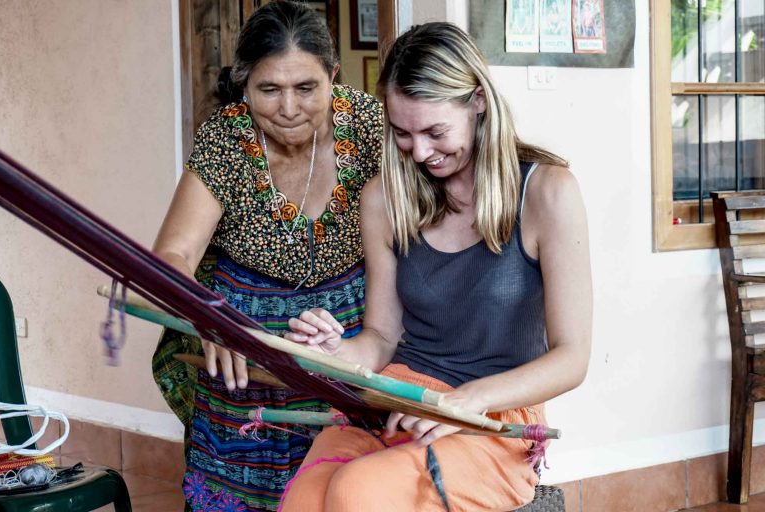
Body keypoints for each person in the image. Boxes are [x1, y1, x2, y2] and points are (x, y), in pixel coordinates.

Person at [280, 21, 592, 512]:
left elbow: (572, 357)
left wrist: (467, 402)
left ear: (478, 101)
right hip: (401, 405)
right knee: (307, 497)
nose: (420, 152)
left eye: (435, 131)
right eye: (403, 133)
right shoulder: (384, 198)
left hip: (492, 421)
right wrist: (336, 350)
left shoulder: (548, 193)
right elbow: (381, 338)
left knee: (356, 492)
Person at [150, 1, 383, 510]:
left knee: (339, 491)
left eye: (307, 88)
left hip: (340, 354)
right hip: (241, 354)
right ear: (243, 84)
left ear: (333, 75)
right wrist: (209, 317)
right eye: (268, 90)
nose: (289, 108)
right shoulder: (227, 138)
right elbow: (173, 252)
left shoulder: (370, 126)